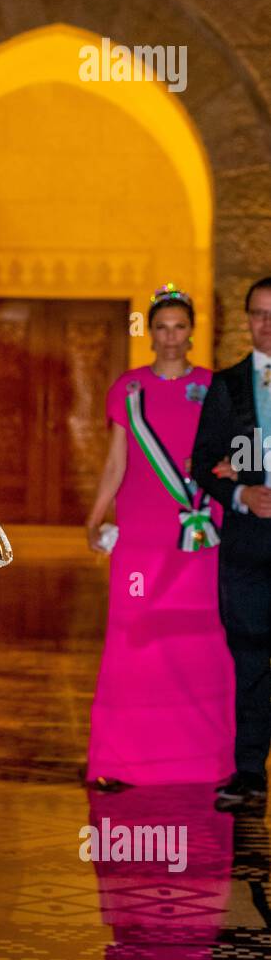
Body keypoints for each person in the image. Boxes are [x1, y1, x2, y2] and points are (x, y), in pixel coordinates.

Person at [85, 284, 235, 788]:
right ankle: (123, 760)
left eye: (180, 327)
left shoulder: (217, 389)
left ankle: (204, 760)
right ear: (150, 332)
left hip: (198, 529)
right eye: (162, 327)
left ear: (192, 331)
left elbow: (238, 457)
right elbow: (116, 461)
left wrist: (219, 466)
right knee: (133, 638)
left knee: (200, 641)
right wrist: (97, 511)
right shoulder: (128, 390)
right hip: (142, 532)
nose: (171, 337)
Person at [192, 275, 271, 806]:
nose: (267, 324)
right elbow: (204, 462)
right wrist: (241, 493)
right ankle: (249, 773)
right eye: (258, 314)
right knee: (251, 661)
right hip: (248, 547)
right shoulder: (228, 385)